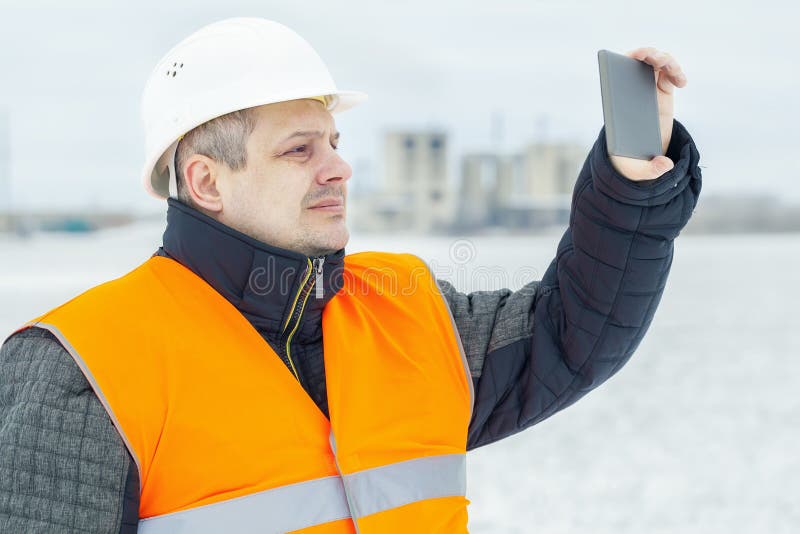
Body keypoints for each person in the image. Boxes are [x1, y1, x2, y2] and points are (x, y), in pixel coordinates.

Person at [0, 17, 701, 534]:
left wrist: (632, 177)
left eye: (334, 143)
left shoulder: (406, 309)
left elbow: (571, 330)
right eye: (298, 149)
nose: (338, 166)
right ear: (207, 182)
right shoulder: (81, 369)